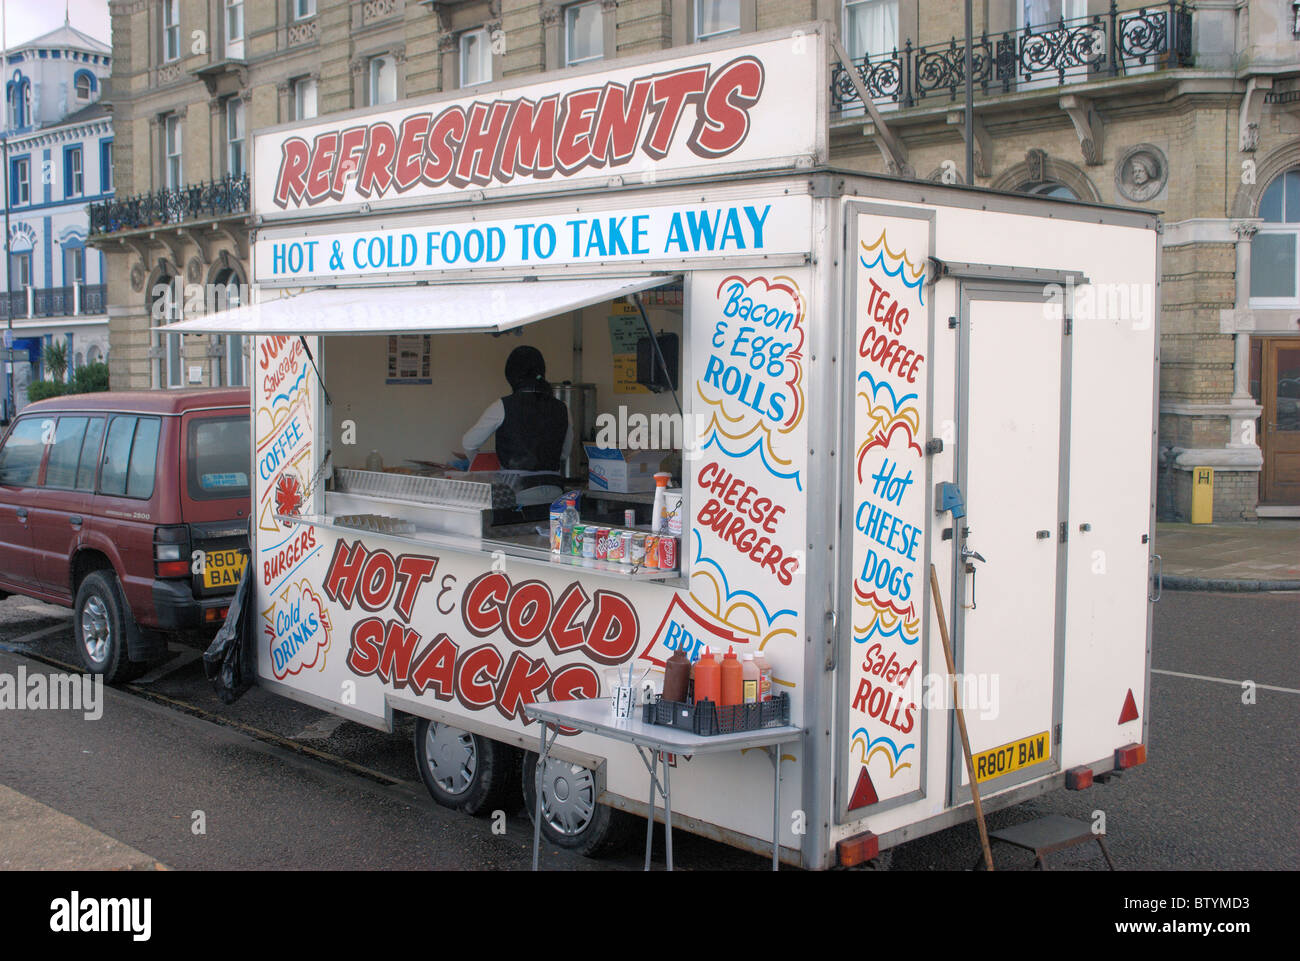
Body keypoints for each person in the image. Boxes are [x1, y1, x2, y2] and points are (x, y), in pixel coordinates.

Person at [462, 345, 572, 485]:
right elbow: (564, 454)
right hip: (553, 489)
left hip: (515, 490)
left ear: (511, 376)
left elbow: (469, 443)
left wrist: (487, 466)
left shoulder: (502, 406)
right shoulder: (563, 408)